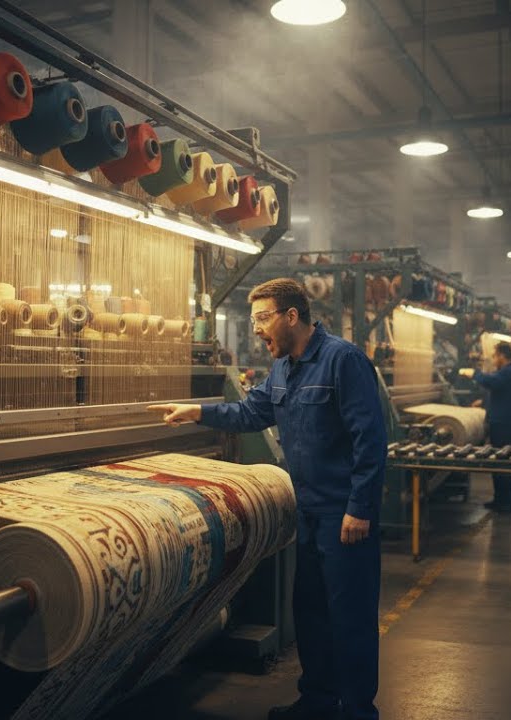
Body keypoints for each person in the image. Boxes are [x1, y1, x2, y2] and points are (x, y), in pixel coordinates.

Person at [148, 278, 386, 720]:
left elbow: (370, 440)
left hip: (343, 513)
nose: (256, 328)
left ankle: (356, 711)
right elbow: (250, 412)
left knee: (349, 617)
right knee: (311, 612)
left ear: (291, 316)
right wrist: (198, 411)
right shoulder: (284, 368)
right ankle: (317, 701)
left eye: (261, 318)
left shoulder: (342, 361)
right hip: (309, 511)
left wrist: (360, 507)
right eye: (254, 319)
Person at [462, 341, 511, 512]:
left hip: (504, 424)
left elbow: (492, 382)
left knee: (504, 463)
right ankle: (500, 499)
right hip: (501, 422)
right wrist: (484, 402)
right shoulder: (508, 372)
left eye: (495, 356)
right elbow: (500, 391)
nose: (493, 359)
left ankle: (508, 502)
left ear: (502, 355)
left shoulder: (509, 372)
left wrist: (474, 373)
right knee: (498, 462)